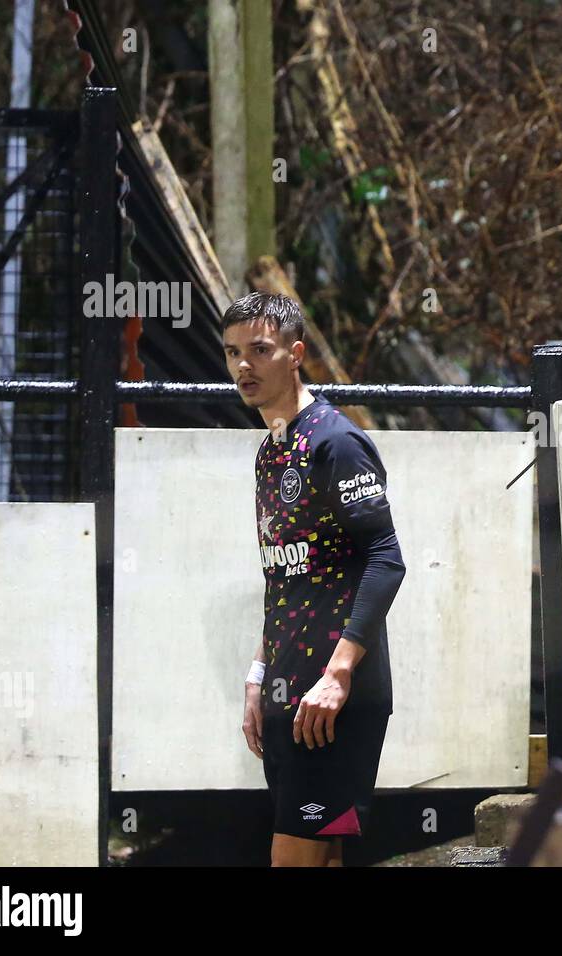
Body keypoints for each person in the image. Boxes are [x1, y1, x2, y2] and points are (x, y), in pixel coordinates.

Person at [222, 291, 406, 867]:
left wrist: (338, 674)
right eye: (232, 354)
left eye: (259, 350)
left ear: (295, 353)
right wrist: (259, 673)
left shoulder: (335, 442)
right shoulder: (271, 450)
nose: (243, 366)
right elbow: (286, 577)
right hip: (289, 692)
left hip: (331, 700)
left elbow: (386, 558)